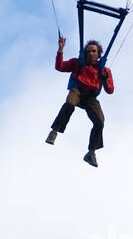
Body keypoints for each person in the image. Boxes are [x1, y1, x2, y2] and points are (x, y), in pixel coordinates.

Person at [45, 36, 114, 167]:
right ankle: (54, 131)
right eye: (88, 51)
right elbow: (60, 66)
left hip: (90, 98)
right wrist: (60, 49)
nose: (90, 53)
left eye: (93, 51)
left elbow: (110, 90)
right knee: (70, 105)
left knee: (100, 121)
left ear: (99, 54)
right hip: (77, 91)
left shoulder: (104, 70)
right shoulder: (78, 63)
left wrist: (104, 80)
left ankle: (91, 152)